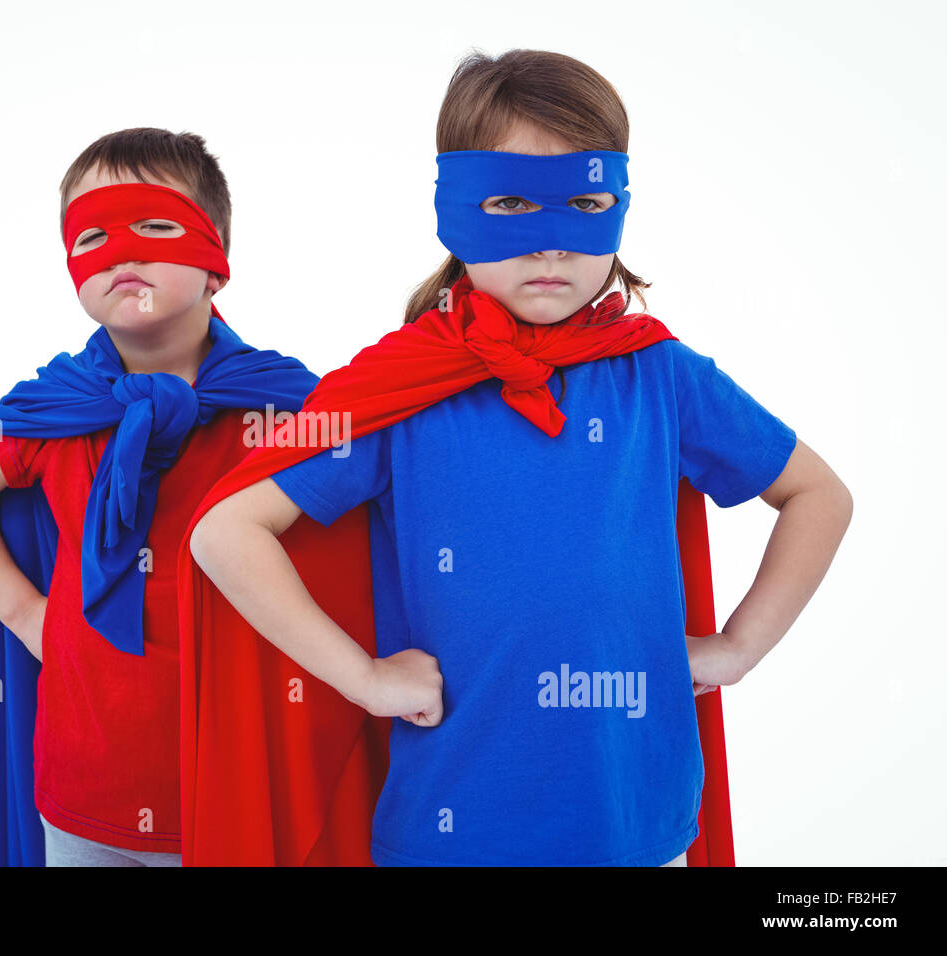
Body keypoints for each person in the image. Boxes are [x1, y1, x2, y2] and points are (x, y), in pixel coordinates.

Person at [185, 50, 853, 866]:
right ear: (454, 209)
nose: (550, 245)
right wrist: (361, 678)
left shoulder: (662, 374)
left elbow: (818, 493)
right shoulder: (393, 388)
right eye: (508, 202)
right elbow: (226, 529)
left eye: (581, 202)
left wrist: (740, 646)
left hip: (636, 827)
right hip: (452, 828)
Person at [0, 128, 320, 866]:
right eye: (93, 235)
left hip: (228, 780)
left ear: (216, 265)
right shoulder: (54, 409)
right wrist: (23, 611)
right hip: (83, 780)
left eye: (157, 227)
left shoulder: (282, 408)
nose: (124, 253)